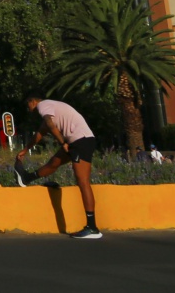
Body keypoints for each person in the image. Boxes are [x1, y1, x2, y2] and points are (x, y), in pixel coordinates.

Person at [14, 95, 102, 239]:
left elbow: (49, 123)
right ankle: (26, 178)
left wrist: (62, 143)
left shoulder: (43, 106)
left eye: (27, 107)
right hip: (77, 141)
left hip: (81, 141)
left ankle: (92, 228)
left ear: (33, 101)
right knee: (54, 162)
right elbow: (39, 134)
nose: (29, 111)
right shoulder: (52, 108)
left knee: (83, 181)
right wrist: (25, 150)